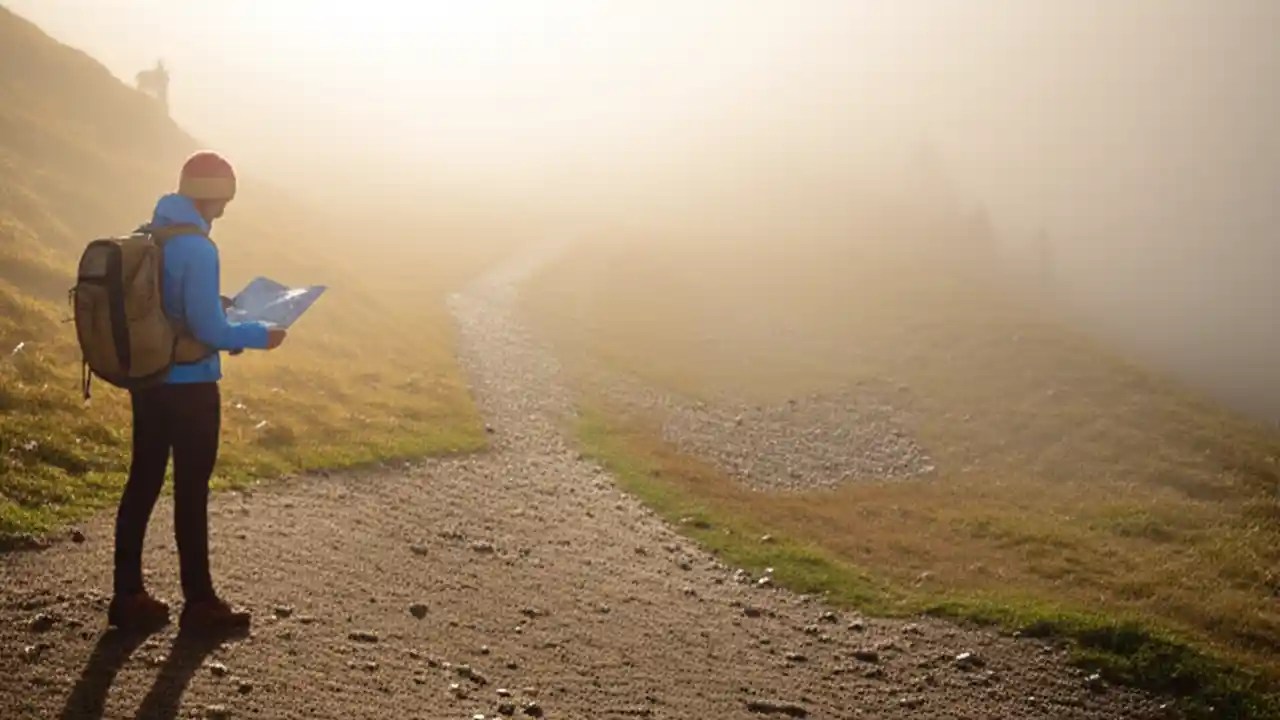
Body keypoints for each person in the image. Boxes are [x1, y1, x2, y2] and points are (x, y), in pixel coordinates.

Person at [108, 151, 287, 633]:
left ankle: (127, 596)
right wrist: (258, 335)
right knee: (191, 491)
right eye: (225, 198)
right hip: (190, 387)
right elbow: (208, 328)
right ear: (216, 197)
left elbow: (174, 309)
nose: (225, 210)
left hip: (148, 380)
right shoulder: (200, 249)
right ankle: (201, 603)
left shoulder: (150, 234)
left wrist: (220, 308)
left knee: (142, 481)